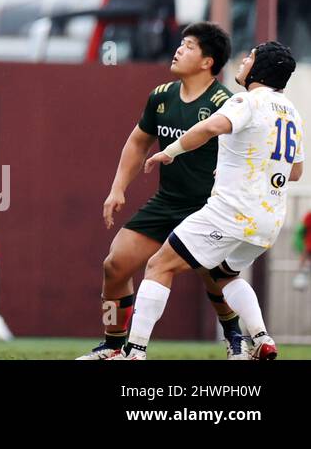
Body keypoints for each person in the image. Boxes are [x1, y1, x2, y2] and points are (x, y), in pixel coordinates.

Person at [118, 42, 302, 359]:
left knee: (159, 265)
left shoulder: (247, 100)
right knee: (224, 275)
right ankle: (261, 338)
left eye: (250, 57)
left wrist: (169, 151)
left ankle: (133, 351)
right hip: (268, 221)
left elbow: (211, 126)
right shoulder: (292, 112)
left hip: (232, 212)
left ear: (259, 69)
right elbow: (295, 171)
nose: (243, 61)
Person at [76, 23, 248, 359]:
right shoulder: (161, 96)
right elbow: (138, 141)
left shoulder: (224, 103)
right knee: (115, 265)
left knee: (216, 275)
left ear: (207, 62)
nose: (179, 50)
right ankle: (113, 346)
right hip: (167, 202)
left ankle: (235, 338)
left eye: (188, 46)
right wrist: (117, 190)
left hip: (208, 206)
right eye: (180, 44)